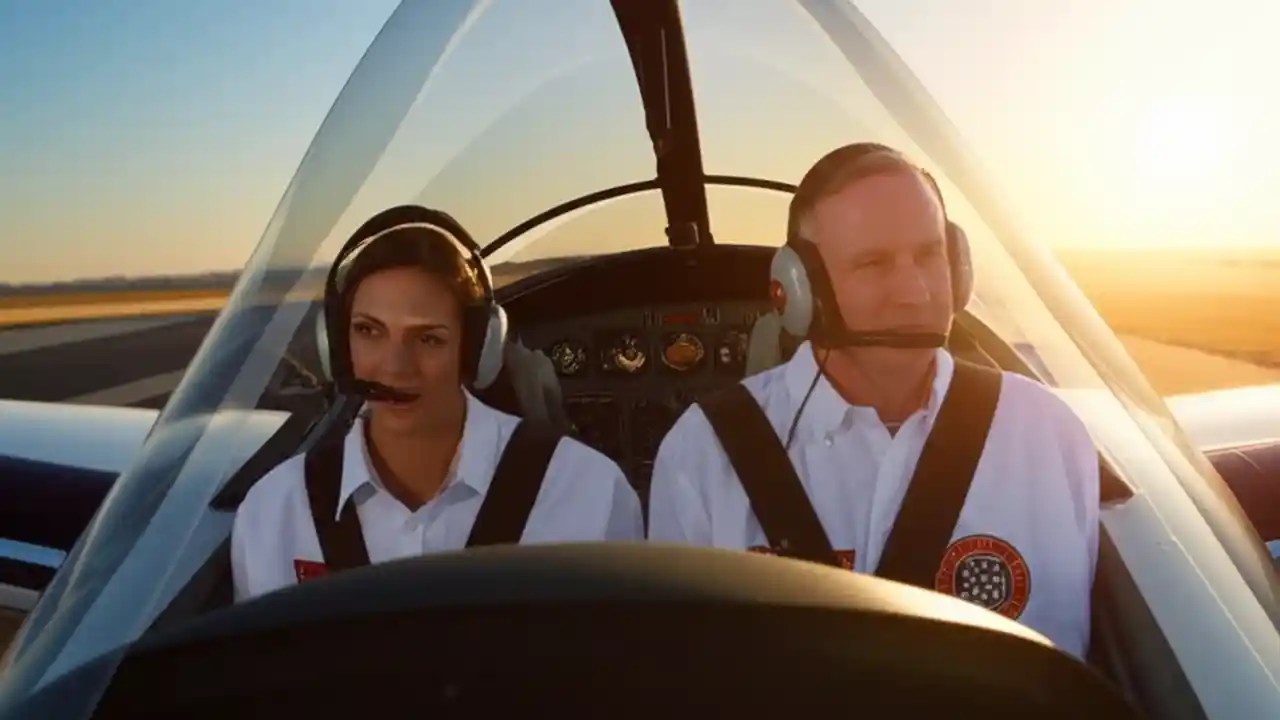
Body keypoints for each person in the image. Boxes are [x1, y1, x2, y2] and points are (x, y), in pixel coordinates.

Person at [647, 143, 1099, 659]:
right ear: (800, 291)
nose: (916, 293)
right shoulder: (702, 455)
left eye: (929, 255)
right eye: (873, 264)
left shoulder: (1048, 435)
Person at [232, 205, 643, 600]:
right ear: (338, 347)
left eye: (429, 338)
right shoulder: (273, 514)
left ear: (476, 351)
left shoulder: (589, 493)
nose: (395, 368)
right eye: (368, 331)